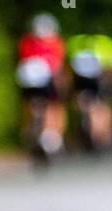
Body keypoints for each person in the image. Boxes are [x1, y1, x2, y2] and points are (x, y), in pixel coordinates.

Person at [17, 13, 69, 156]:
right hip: (35, 82)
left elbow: (58, 64)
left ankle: (52, 134)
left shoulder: (54, 42)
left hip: (46, 81)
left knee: (52, 105)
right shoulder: (29, 42)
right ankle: (34, 132)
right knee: (43, 105)